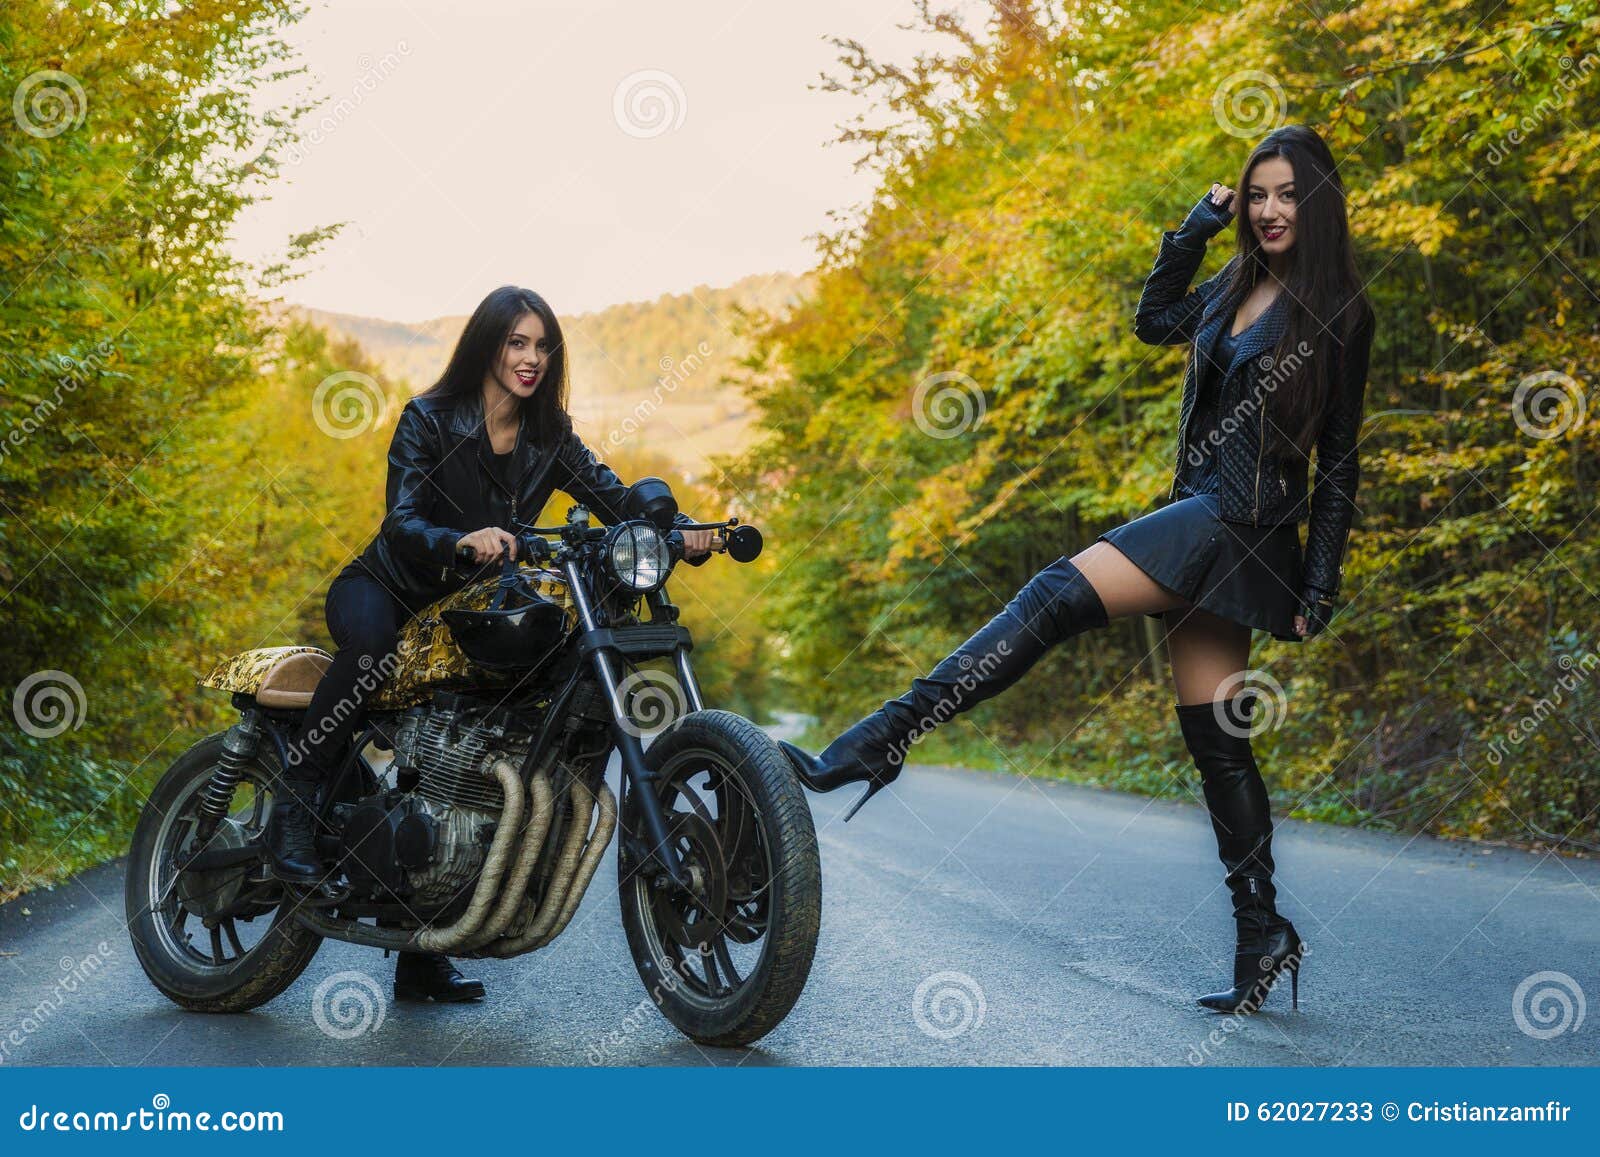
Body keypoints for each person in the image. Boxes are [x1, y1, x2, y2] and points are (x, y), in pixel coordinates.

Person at [780, 124, 1375, 1015]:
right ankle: (1265, 933)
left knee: (1055, 593)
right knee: (1217, 745)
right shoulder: (1238, 279)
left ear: (1317, 201)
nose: (1270, 209)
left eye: (1288, 194)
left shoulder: (1340, 309)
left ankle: (886, 733)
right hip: (1204, 515)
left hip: (1239, 526)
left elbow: (1339, 461)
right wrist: (1191, 232)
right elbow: (1150, 323)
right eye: (1258, 194)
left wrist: (1320, 583)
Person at [263, 285, 714, 1002]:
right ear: (488, 345)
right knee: (371, 649)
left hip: (470, 611)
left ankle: (428, 928)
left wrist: (679, 527)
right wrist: (461, 542)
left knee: (503, 725)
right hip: (390, 588)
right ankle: (297, 798)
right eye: (517, 343)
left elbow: (612, 494)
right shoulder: (430, 418)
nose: (532, 359)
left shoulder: (547, 434)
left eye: (542, 346)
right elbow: (401, 521)